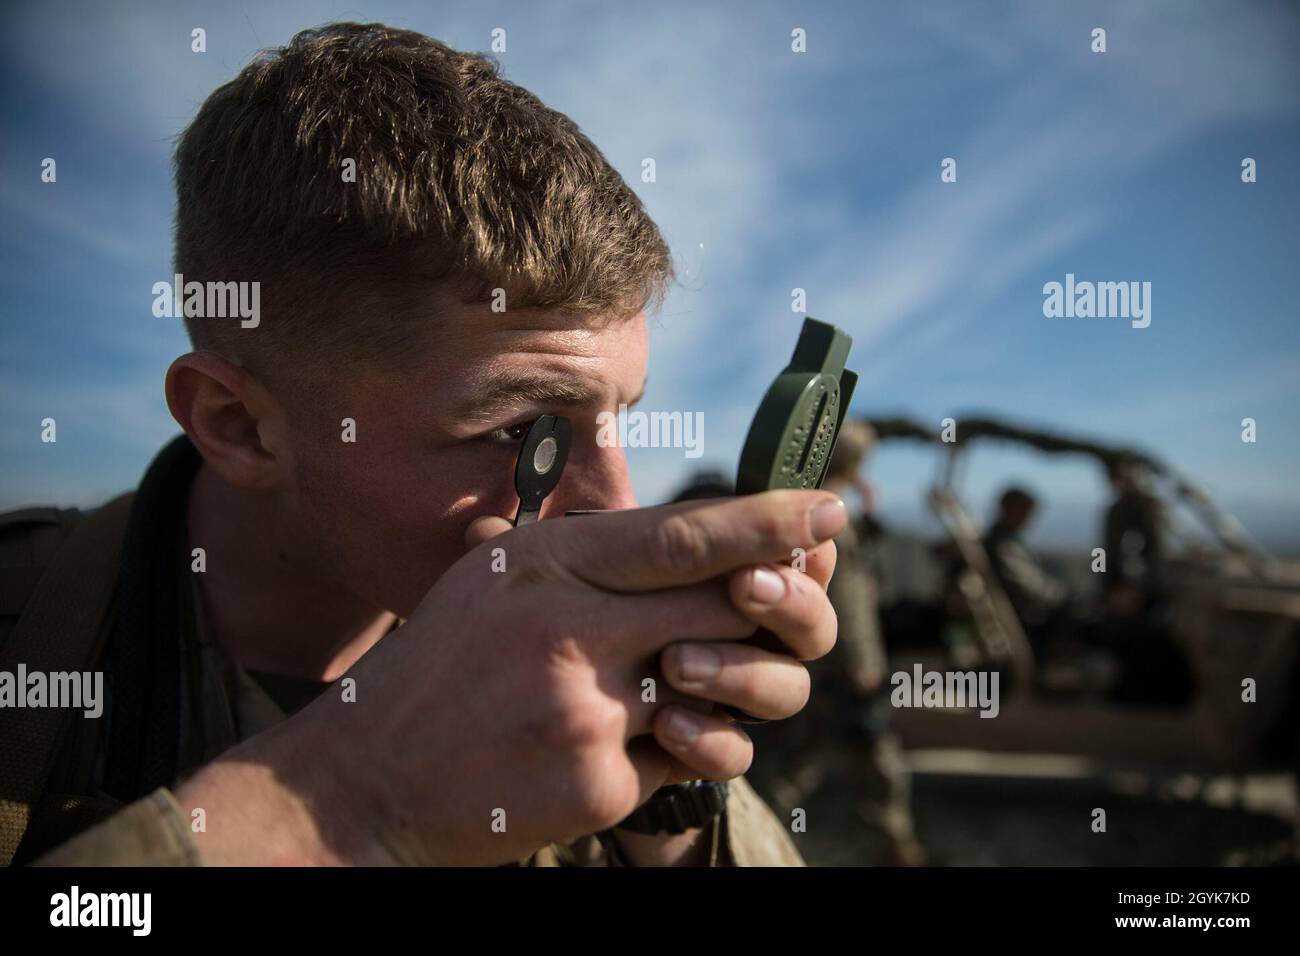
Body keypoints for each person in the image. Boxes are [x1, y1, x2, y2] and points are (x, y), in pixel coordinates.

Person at [0, 23, 847, 867]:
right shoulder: (31, 645)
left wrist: (660, 799)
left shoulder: (562, 666)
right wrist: (342, 801)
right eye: (522, 431)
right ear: (237, 423)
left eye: (620, 416)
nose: (615, 503)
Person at [754, 419, 925, 865]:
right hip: (843, 672)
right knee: (875, 767)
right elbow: (850, 604)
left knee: (797, 762)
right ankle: (897, 850)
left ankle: (753, 840)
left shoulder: (811, 507)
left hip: (817, 669)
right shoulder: (832, 517)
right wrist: (864, 670)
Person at [982, 486, 1068, 658]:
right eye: (1026, 513)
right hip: (1027, 621)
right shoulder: (1002, 545)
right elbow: (1027, 586)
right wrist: (1063, 595)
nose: (1029, 520)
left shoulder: (1007, 541)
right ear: (1010, 510)